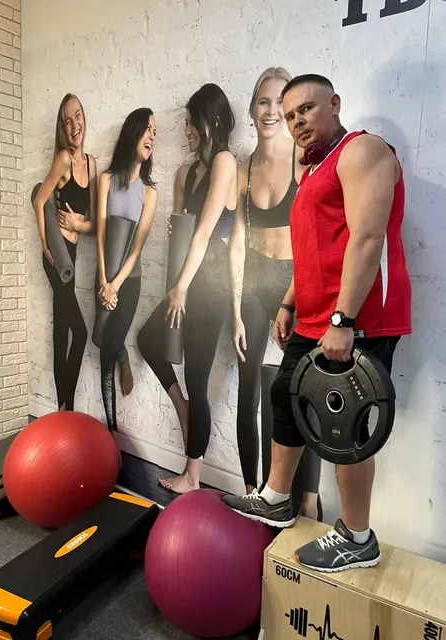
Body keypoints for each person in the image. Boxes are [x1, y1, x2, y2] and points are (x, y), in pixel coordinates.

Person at [224, 73, 412, 573]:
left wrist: (343, 320)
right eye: (290, 116)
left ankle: (357, 537)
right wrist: (288, 303)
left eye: (306, 108)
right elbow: (311, 252)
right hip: (315, 319)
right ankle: (276, 497)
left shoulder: (362, 151)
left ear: (335, 104)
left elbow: (368, 238)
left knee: (344, 426)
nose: (297, 121)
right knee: (285, 395)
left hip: (357, 321)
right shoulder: (314, 173)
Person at [229, 67, 322, 520]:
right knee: (248, 386)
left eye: (277, 103)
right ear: (252, 110)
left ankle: (306, 500)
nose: (269, 111)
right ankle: (253, 490)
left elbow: (314, 235)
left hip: (294, 280)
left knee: (302, 388)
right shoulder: (242, 169)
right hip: (253, 281)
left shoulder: (303, 160)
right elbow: (237, 241)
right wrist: (234, 308)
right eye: (262, 102)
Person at [137, 83, 237, 494]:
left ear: (211, 121)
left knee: (197, 379)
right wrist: (176, 276)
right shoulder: (186, 172)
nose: (187, 130)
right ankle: (181, 405)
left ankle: (192, 476)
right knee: (147, 339)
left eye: (191, 122)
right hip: (186, 278)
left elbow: (205, 232)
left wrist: (180, 287)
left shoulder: (226, 163)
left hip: (209, 286)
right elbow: (182, 229)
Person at [33, 93, 96, 411]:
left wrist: (77, 223)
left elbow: (96, 223)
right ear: (62, 127)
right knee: (79, 333)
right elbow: (39, 199)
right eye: (67, 121)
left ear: (84, 117)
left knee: (62, 330)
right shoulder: (63, 159)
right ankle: (67, 407)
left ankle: (62, 409)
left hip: (73, 254)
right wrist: (46, 246)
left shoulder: (91, 164)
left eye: (78, 116)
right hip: (57, 258)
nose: (74, 125)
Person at [97, 108, 158, 432]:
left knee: (109, 343)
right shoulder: (106, 179)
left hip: (129, 282)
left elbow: (137, 247)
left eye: (155, 132)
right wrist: (103, 279)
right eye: (147, 129)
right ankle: (123, 359)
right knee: (100, 341)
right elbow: (101, 234)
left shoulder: (150, 192)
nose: (152, 137)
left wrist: (115, 285)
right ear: (132, 131)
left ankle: (112, 433)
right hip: (103, 276)